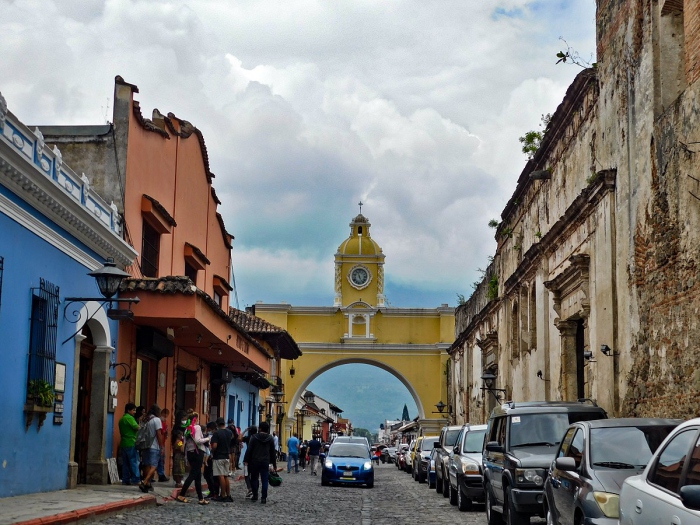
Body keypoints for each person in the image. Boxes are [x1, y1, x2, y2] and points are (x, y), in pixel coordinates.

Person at [176, 412, 210, 505]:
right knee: (193, 474)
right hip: (198, 453)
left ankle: (200, 498)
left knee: (197, 476)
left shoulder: (187, 429)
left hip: (190, 454)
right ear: (196, 418)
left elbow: (186, 444)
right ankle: (182, 494)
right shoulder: (197, 427)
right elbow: (199, 441)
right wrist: (207, 439)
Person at [244, 421, 277, 504]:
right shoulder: (270, 438)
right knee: (265, 479)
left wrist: (246, 460)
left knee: (254, 478)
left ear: (260, 428)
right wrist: (274, 464)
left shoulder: (254, 437)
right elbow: (272, 452)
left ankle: (255, 495)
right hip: (265, 461)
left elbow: (249, 450)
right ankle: (263, 498)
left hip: (254, 461)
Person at [139, 404, 164, 493]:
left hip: (145, 445)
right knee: (154, 465)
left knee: (147, 465)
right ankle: (145, 482)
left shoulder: (145, 420)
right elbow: (159, 434)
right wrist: (161, 446)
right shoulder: (157, 420)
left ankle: (147, 484)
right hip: (154, 446)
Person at [210, 417, 233, 502]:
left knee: (221, 476)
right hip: (227, 456)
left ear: (217, 424)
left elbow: (215, 446)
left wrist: (212, 451)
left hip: (218, 457)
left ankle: (222, 495)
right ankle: (228, 495)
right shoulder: (229, 432)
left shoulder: (217, 433)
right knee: (226, 476)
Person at [118, 403, 141, 485]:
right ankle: (136, 479)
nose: (134, 412)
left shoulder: (122, 419)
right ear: (128, 410)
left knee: (125, 463)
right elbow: (137, 428)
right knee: (134, 461)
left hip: (124, 443)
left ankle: (125, 479)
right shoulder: (130, 418)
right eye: (133, 410)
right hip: (131, 442)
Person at [202, 422, 218, 499]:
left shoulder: (212, 436)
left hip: (211, 458)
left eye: (208, 429)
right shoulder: (212, 435)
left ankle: (213, 491)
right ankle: (213, 491)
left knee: (209, 475)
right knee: (208, 475)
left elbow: (211, 447)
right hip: (211, 457)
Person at [156, 408, 170, 482]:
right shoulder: (159, 422)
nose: (165, 417)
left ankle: (161, 474)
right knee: (160, 460)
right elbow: (160, 433)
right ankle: (161, 474)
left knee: (161, 460)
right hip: (159, 444)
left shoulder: (165, 422)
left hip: (162, 443)